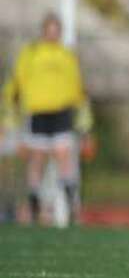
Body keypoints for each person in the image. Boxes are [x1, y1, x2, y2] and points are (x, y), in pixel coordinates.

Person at [0, 12, 94, 226]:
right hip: (37, 113)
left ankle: (71, 206)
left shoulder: (67, 56)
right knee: (37, 160)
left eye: (56, 31)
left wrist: (86, 126)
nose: (53, 34)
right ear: (43, 31)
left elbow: (78, 90)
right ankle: (34, 204)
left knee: (64, 157)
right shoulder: (31, 54)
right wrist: (8, 121)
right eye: (49, 30)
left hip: (61, 114)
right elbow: (14, 87)